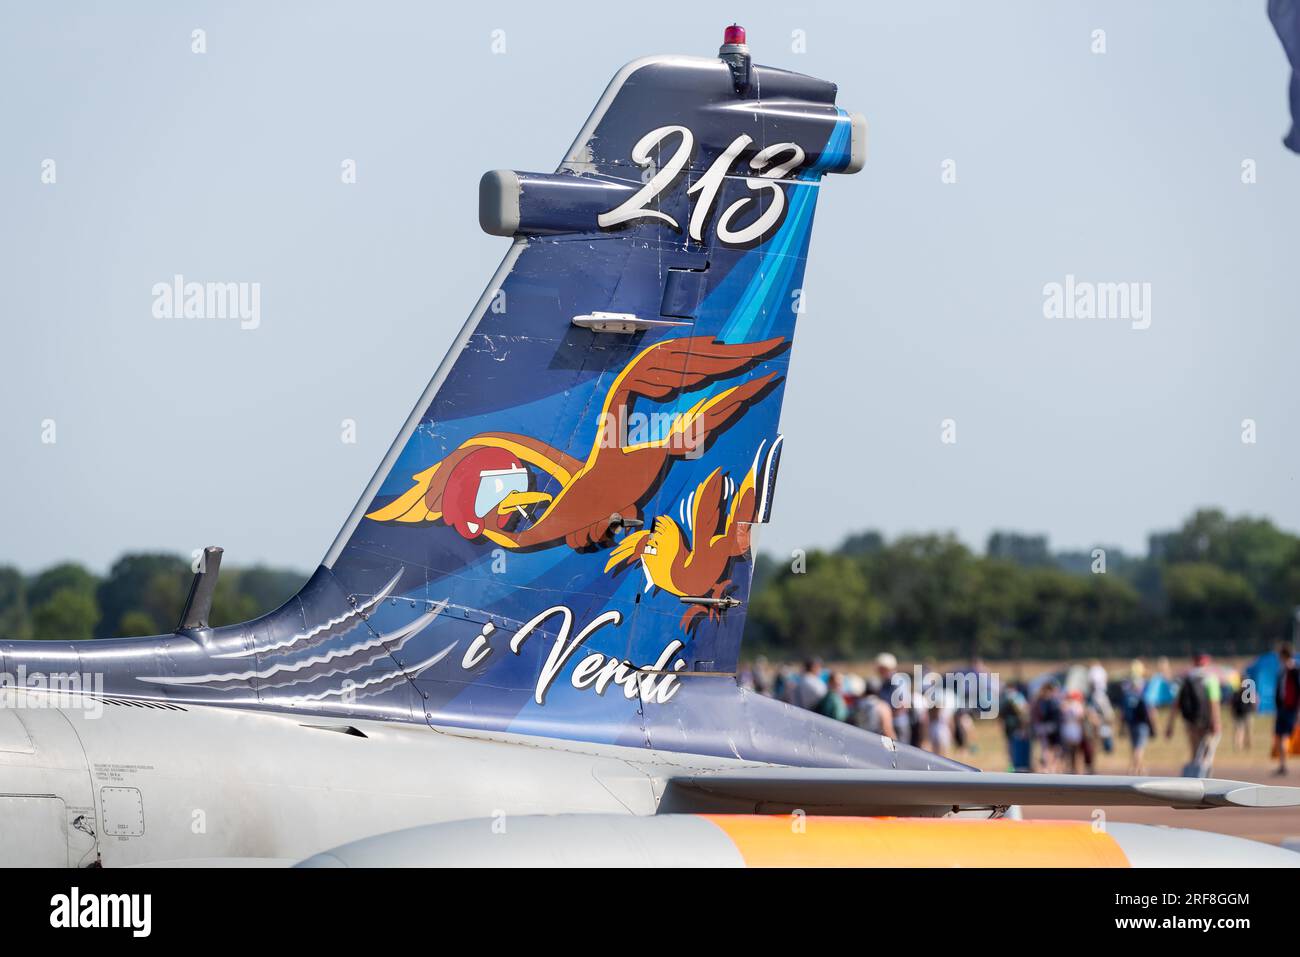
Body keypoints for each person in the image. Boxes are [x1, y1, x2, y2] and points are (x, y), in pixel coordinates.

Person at [1166, 653, 1222, 777]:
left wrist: (1170, 725)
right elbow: (1213, 702)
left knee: (1194, 752)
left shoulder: (1185, 679)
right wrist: (1216, 722)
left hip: (1191, 721)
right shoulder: (1210, 678)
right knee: (1207, 753)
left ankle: (1192, 779)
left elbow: (1176, 704)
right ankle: (1204, 777)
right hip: (1207, 721)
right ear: (1207, 662)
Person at [1119, 660, 1156, 775]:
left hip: (1131, 722)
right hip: (1142, 722)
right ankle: (1135, 769)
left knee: (1135, 746)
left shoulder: (1126, 687)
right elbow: (1149, 706)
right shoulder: (1144, 686)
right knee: (1139, 748)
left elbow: (1122, 710)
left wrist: (1121, 726)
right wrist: (1153, 723)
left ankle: (1139, 768)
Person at [1273, 644, 1300, 776]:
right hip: (1282, 708)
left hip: (1291, 709)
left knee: (1286, 736)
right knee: (1280, 736)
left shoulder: (1294, 670)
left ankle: (1283, 765)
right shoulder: (1283, 670)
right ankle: (1282, 765)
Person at [1032, 680, 1063, 772]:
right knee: (1047, 749)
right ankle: (1047, 767)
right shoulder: (1045, 701)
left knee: (1052, 748)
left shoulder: (1045, 701)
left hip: (1051, 728)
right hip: (1048, 728)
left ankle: (1050, 767)